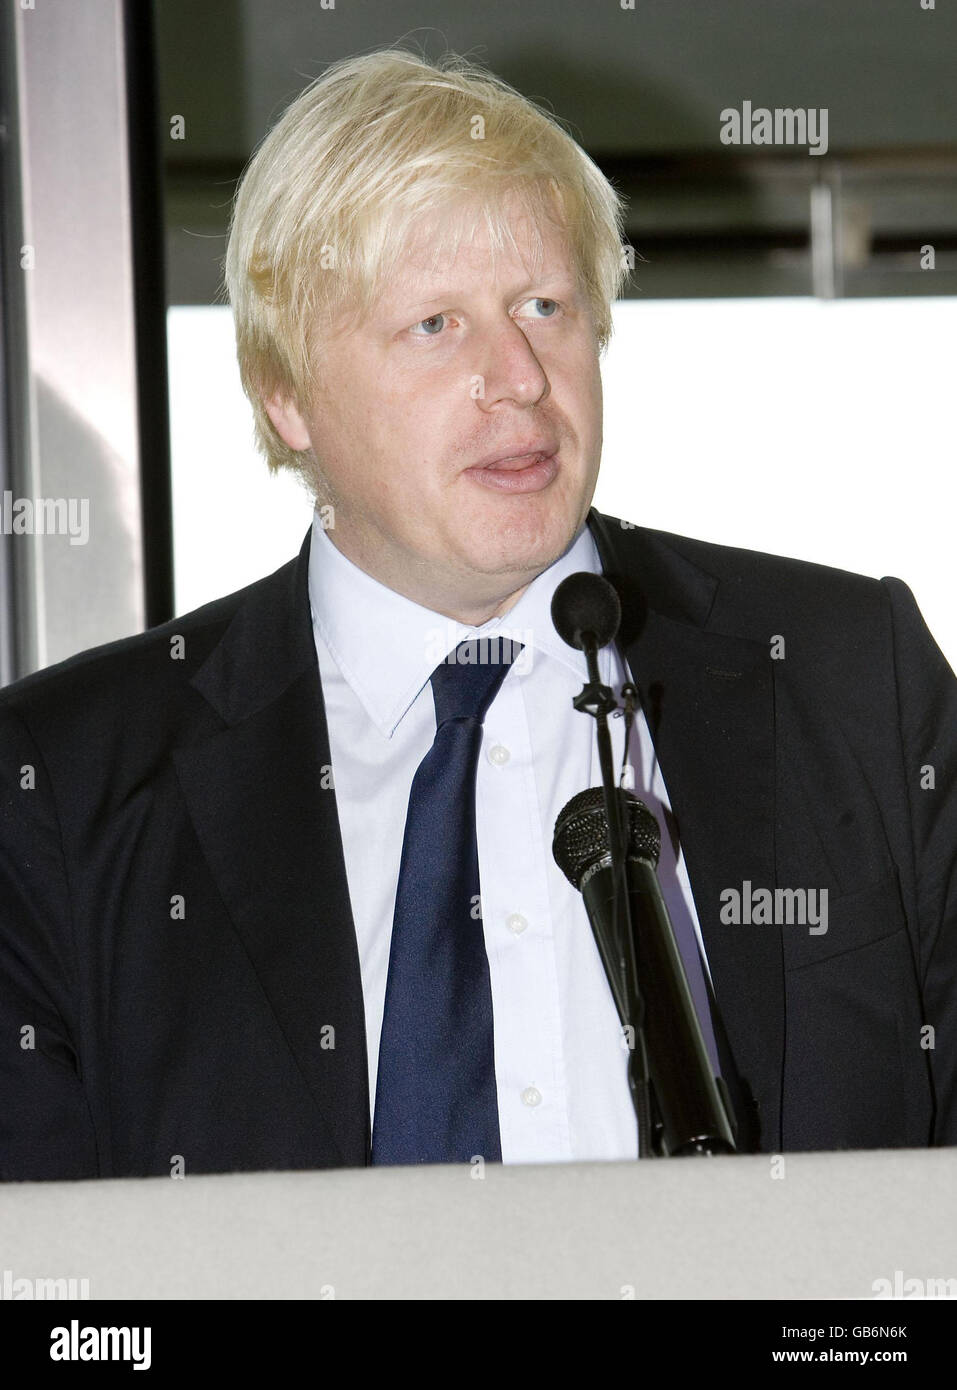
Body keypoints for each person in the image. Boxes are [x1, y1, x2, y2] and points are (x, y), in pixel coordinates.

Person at [1, 48, 955, 1182]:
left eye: (545, 305)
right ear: (287, 393)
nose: (518, 376)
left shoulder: (852, 679)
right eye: (437, 325)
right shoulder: (62, 785)